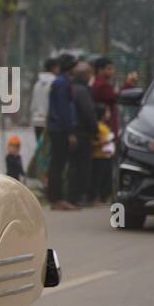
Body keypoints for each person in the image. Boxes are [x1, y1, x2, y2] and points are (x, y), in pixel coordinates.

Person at [45, 53, 77, 210]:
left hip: (57, 128)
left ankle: (56, 198)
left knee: (57, 164)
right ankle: (56, 199)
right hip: (60, 129)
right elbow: (64, 110)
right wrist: (70, 132)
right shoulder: (62, 83)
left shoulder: (61, 82)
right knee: (58, 164)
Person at [68, 60, 98, 207]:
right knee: (82, 166)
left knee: (73, 166)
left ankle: (72, 196)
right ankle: (80, 196)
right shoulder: (82, 91)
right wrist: (95, 130)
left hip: (72, 132)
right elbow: (88, 112)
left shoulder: (71, 87)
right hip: (82, 133)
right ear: (85, 75)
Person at [29, 58, 57, 144]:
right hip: (49, 123)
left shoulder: (37, 84)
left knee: (41, 152)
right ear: (54, 68)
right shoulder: (55, 83)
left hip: (37, 121)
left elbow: (33, 105)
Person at [91, 106, 115, 204]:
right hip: (98, 156)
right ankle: (97, 197)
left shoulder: (105, 126)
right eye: (107, 112)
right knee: (98, 178)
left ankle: (104, 197)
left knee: (106, 177)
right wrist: (102, 142)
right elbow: (94, 141)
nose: (109, 114)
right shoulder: (98, 127)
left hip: (107, 156)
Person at [90, 56, 119, 138]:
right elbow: (115, 98)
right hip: (106, 124)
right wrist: (127, 84)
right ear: (100, 70)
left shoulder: (97, 82)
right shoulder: (102, 85)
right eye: (109, 69)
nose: (112, 71)